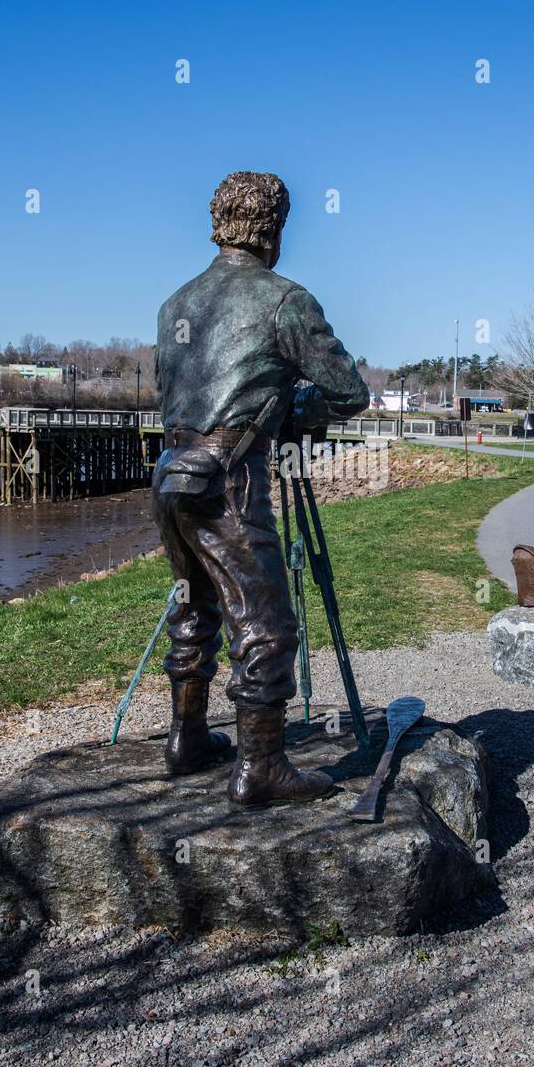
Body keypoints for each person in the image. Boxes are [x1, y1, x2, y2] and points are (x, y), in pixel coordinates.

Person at [152, 172, 369, 805]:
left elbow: (173, 392)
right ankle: (262, 767)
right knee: (267, 624)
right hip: (230, 480)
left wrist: (271, 406)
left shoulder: (175, 305)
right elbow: (348, 393)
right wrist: (292, 410)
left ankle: (187, 739)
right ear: (273, 230)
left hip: (170, 474)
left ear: (218, 223)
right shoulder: (286, 301)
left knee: (194, 608)